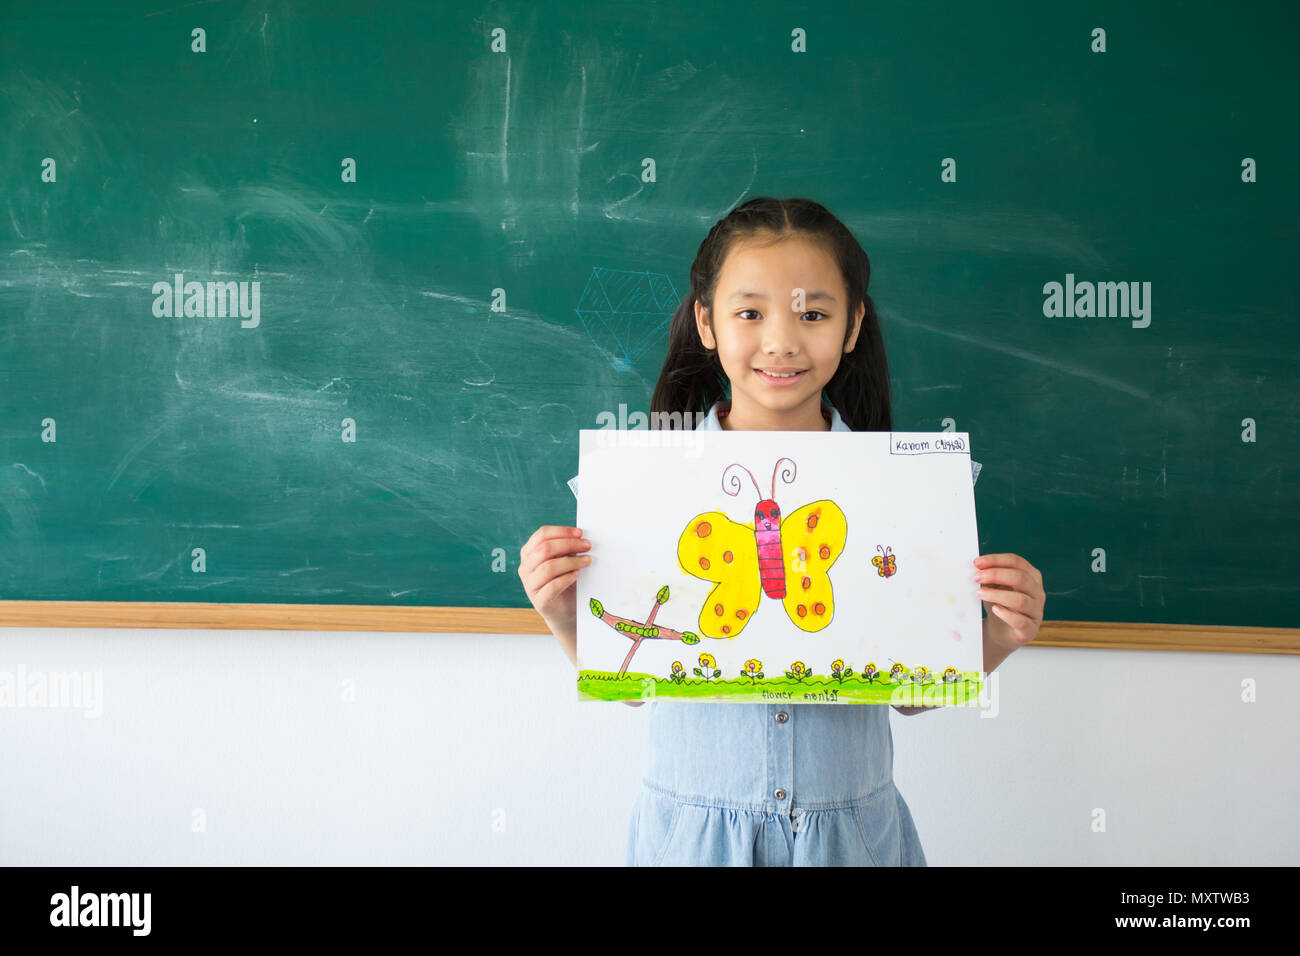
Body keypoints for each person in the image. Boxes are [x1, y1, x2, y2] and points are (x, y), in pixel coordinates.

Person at [519, 197, 1045, 866]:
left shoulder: (899, 494)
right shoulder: (647, 488)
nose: (782, 341)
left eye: (814, 314)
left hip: (850, 842)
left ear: (853, 325)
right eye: (749, 313)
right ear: (706, 321)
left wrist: (995, 637)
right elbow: (638, 679)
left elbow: (908, 691)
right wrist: (566, 615)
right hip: (694, 841)